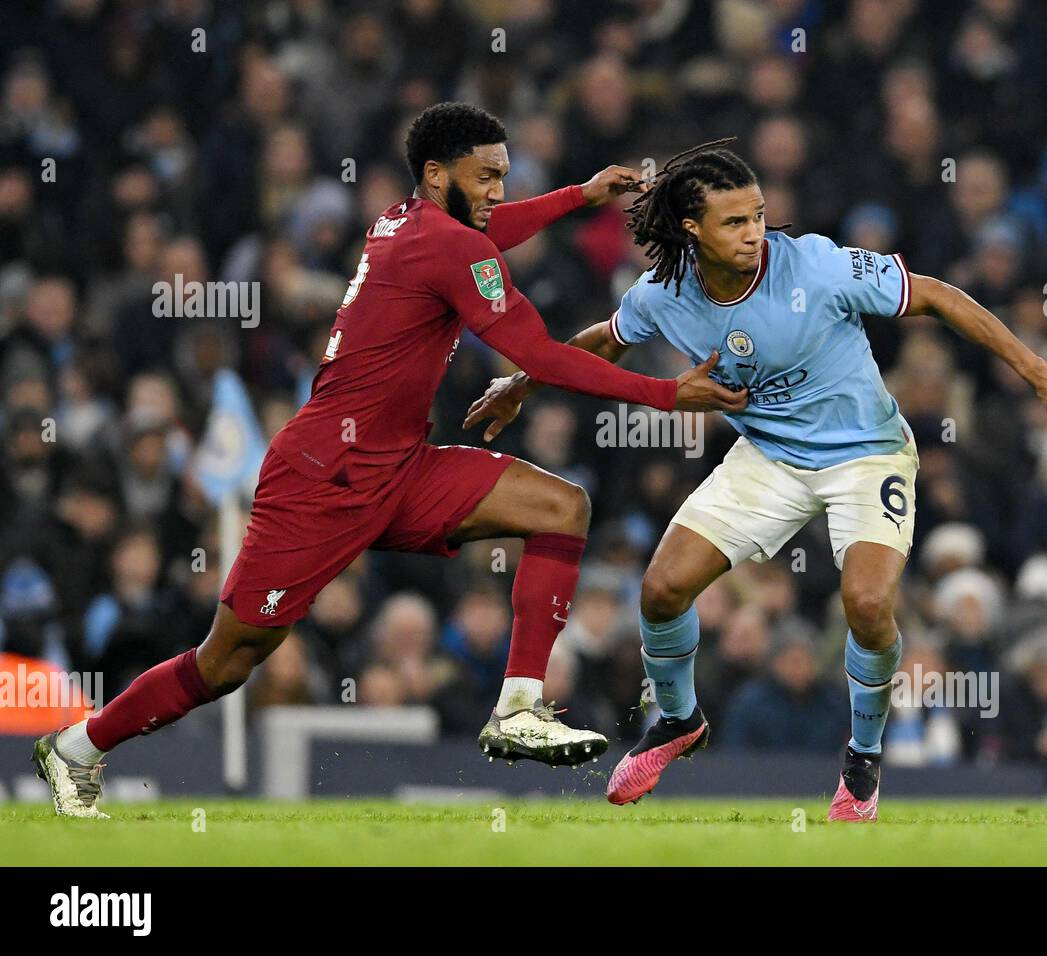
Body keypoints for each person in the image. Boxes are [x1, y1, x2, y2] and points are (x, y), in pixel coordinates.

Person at [32, 104, 745, 819]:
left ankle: (519, 707)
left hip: (398, 464)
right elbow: (536, 354)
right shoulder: (450, 246)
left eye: (504, 174)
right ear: (438, 175)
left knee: (560, 506)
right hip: (323, 476)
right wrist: (665, 392)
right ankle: (77, 749)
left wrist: (578, 197)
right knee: (226, 661)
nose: (500, 189)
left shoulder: (402, 220)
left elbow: (487, 235)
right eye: (487, 175)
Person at [466, 140, 1047, 821]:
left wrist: (1038, 371)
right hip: (768, 459)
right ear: (692, 230)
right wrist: (522, 385)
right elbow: (608, 339)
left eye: (759, 215)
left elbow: (934, 296)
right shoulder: (662, 293)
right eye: (735, 222)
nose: (755, 233)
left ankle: (864, 758)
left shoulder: (817, 265)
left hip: (866, 453)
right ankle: (679, 722)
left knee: (869, 605)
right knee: (662, 589)